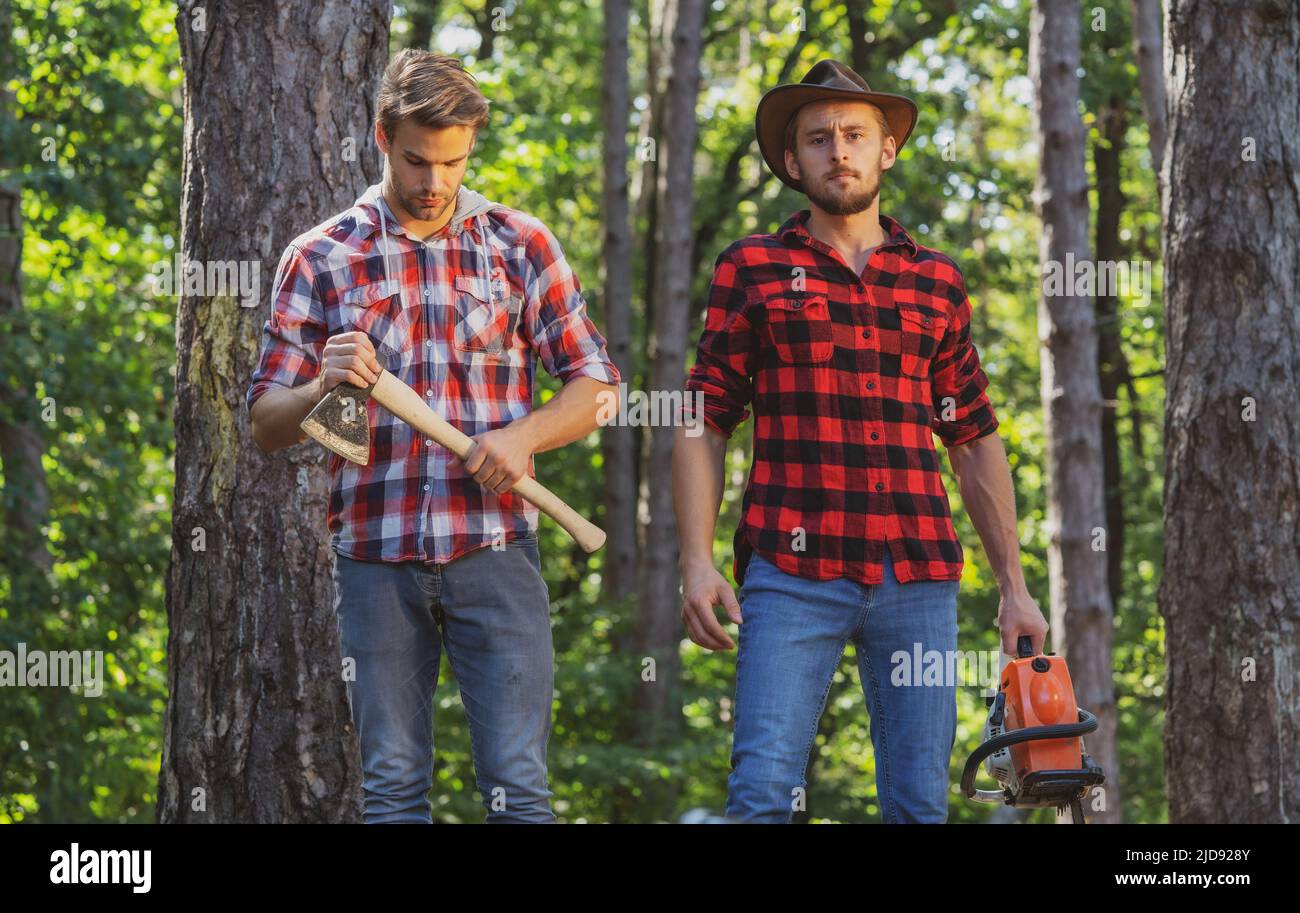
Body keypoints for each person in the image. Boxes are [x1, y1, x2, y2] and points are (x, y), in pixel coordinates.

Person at [246, 50, 619, 823]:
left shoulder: (520, 243)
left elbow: (598, 390)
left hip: (496, 550)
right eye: (418, 159)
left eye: (453, 162)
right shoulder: (321, 257)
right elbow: (265, 425)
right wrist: (323, 383)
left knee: (519, 784)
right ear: (383, 137)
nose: (435, 182)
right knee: (390, 787)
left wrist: (523, 438)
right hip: (375, 560)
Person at [672, 59, 1049, 823]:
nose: (836, 150)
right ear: (792, 160)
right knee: (760, 798)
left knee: (918, 805)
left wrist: (1014, 585)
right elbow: (703, 417)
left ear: (887, 150)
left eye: (853, 134)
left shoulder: (937, 281)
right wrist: (696, 559)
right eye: (817, 138)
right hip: (790, 571)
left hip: (918, 576)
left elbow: (972, 436)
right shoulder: (754, 267)